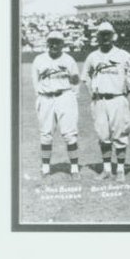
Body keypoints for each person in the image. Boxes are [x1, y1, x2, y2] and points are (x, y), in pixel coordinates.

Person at [82, 22, 130, 182]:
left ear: (113, 36)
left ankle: (120, 170)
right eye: (102, 34)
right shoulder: (92, 56)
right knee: (103, 135)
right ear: (98, 36)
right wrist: (92, 92)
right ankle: (106, 170)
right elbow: (86, 77)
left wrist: (127, 90)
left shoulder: (123, 55)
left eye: (108, 34)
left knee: (120, 135)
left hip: (118, 99)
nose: (105, 37)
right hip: (99, 101)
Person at [33, 32, 83, 179]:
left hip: (65, 96)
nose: (54, 45)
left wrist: (71, 97)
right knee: (45, 134)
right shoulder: (39, 59)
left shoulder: (69, 60)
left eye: (57, 42)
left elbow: (75, 81)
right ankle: (46, 168)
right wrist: (41, 96)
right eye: (51, 42)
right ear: (48, 43)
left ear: (63, 44)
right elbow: (35, 81)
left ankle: (74, 169)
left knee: (70, 133)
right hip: (45, 98)